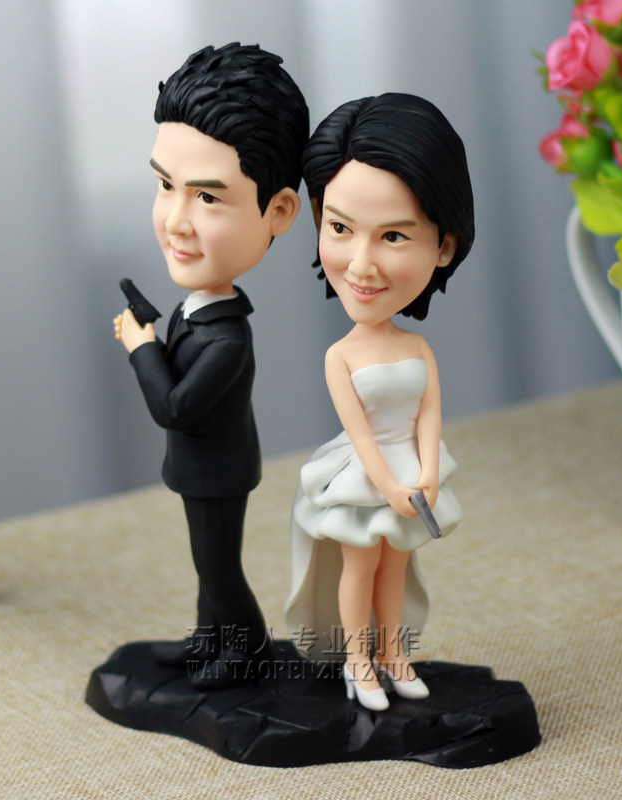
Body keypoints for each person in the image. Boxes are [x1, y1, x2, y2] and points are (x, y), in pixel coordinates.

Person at [114, 43, 309, 687]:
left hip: (219, 474)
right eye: (165, 186)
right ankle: (208, 640)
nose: (176, 221)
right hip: (200, 470)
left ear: (278, 211)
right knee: (207, 564)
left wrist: (141, 346)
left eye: (208, 197)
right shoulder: (196, 309)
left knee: (220, 568)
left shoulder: (227, 338)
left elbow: (174, 407)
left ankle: (247, 649)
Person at [284, 94, 475, 710]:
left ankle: (395, 654)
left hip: (409, 473)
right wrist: (388, 484)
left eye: (393, 235)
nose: (361, 265)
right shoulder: (339, 356)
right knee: (359, 569)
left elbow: (429, 414)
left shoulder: (417, 347)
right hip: (365, 478)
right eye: (340, 228)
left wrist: (425, 472)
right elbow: (359, 433)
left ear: (443, 246)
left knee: (396, 569)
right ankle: (357, 662)